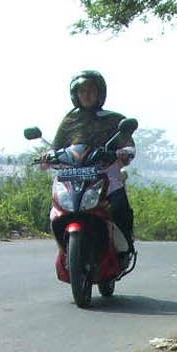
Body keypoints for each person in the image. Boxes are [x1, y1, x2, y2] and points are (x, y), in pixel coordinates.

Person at [51, 70, 137, 254]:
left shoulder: (114, 119)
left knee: (120, 206)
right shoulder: (69, 120)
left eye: (91, 90)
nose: (86, 95)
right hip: (73, 176)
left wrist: (122, 152)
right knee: (55, 207)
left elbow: (129, 145)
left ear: (100, 93)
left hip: (106, 173)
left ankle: (125, 247)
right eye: (82, 91)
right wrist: (47, 156)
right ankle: (64, 249)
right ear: (75, 95)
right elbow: (55, 147)